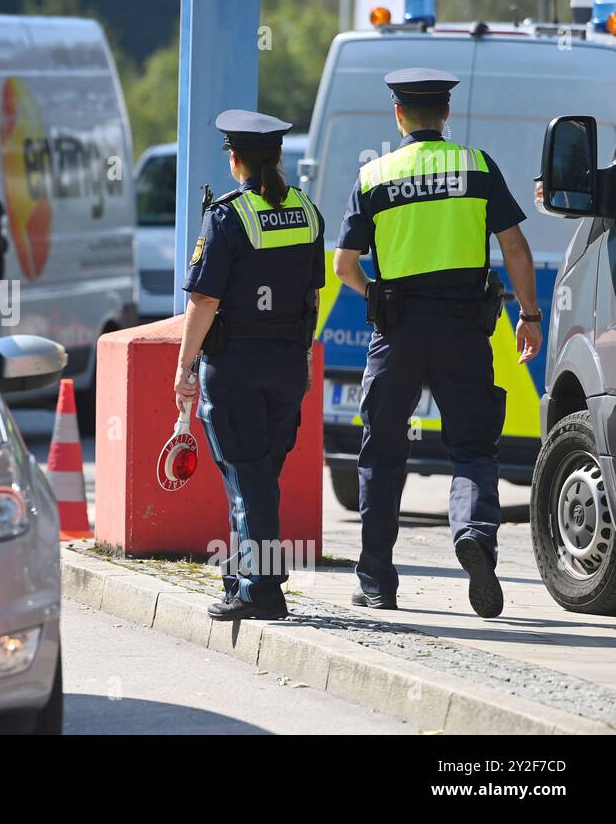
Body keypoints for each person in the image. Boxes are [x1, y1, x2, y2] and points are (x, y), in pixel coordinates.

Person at [332, 68, 543, 619]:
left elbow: (344, 265)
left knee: (382, 453)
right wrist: (529, 313)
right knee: (473, 448)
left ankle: (377, 580)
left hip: (397, 332)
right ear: (445, 115)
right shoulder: (476, 166)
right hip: (463, 330)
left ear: (398, 116)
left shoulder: (374, 175)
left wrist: (374, 294)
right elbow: (516, 247)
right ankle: (473, 534)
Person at [174, 110, 325, 621]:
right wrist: (303, 356)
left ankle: (261, 588)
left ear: (234, 158)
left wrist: (183, 366)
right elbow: (313, 296)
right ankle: (241, 577)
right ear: (278, 157)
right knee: (260, 475)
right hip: (285, 363)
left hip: (235, 364)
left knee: (247, 476)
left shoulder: (225, 216)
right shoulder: (308, 212)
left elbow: (203, 301)